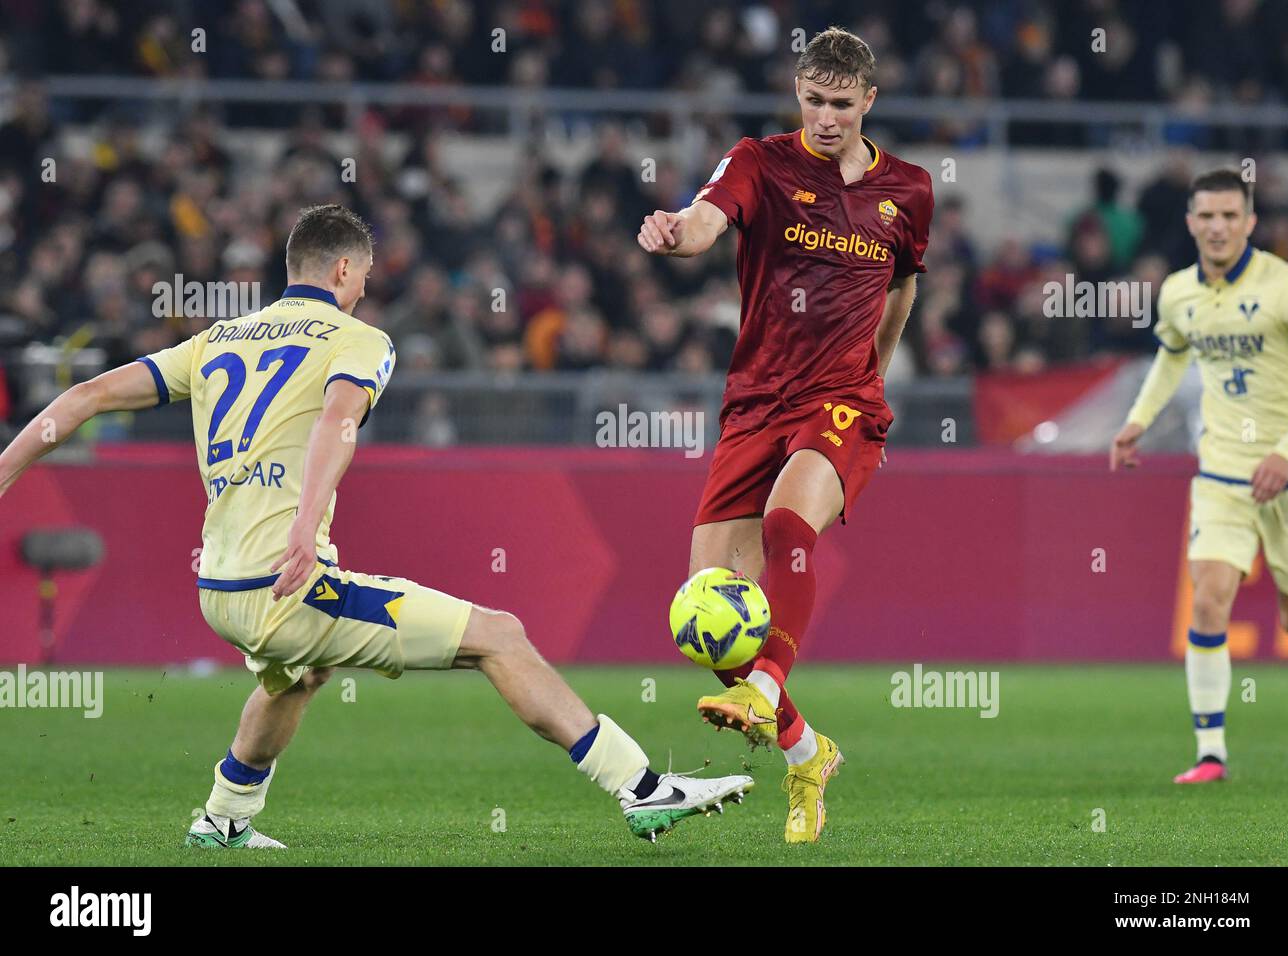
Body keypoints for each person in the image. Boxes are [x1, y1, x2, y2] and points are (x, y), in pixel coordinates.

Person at [0, 204, 752, 847]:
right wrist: (302, 525)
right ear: (341, 273)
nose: (364, 289)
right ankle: (642, 786)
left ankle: (225, 818)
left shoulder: (217, 340)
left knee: (298, 672)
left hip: (218, 586)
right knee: (499, 633)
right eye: (362, 277)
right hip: (288, 581)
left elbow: (89, 395)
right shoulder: (358, 341)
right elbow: (337, 420)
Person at [637, 27, 933, 842]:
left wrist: (873, 376)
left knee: (784, 526)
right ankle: (807, 752)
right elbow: (706, 219)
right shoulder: (759, 162)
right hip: (755, 402)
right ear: (797, 93)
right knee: (701, 613)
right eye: (814, 100)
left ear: (869, 100)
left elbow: (902, 291)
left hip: (840, 398)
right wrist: (674, 232)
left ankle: (766, 690)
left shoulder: (907, 190)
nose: (827, 117)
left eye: (842, 103)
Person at [1111, 170, 1288, 784]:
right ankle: (1211, 753)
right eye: (1206, 217)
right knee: (1211, 597)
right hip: (1221, 474)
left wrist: (1287, 455)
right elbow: (1172, 355)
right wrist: (1137, 421)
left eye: (1229, 216)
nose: (1217, 227)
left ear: (1249, 222)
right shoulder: (1177, 293)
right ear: (1191, 222)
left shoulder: (1287, 287)